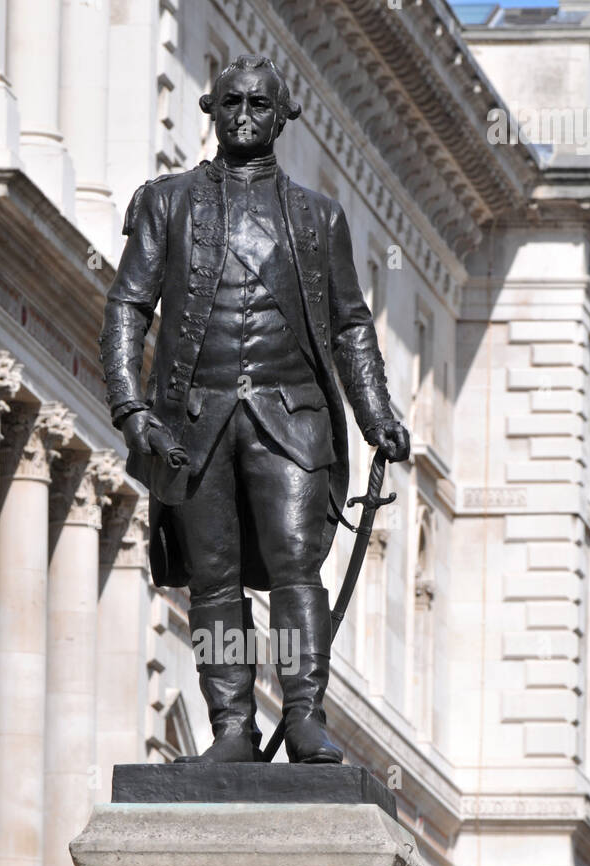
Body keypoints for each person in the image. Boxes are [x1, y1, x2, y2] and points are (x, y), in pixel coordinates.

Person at [100, 53, 410, 763]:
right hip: (193, 417)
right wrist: (128, 406)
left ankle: (303, 713)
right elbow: (128, 306)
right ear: (209, 110)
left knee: (296, 564)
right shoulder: (164, 201)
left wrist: (376, 415)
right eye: (231, 102)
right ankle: (232, 726)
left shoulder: (319, 218)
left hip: (290, 416)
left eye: (259, 105)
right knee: (213, 576)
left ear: (282, 116)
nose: (245, 114)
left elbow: (349, 324)